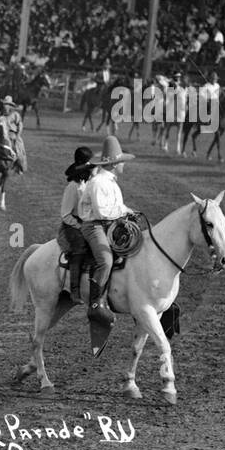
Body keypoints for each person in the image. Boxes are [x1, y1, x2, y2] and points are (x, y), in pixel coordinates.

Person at [77, 134, 135, 329]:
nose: (123, 165)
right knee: (105, 259)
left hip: (107, 224)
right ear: (114, 164)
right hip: (95, 226)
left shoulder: (110, 181)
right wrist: (123, 212)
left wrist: (128, 211)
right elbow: (102, 211)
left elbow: (116, 206)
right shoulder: (100, 182)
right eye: (121, 162)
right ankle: (95, 304)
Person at [57, 146, 95, 301]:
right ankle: (74, 289)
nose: (92, 172)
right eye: (89, 168)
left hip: (86, 221)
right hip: (72, 225)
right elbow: (65, 215)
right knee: (79, 248)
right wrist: (80, 226)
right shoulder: (72, 187)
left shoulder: (86, 185)